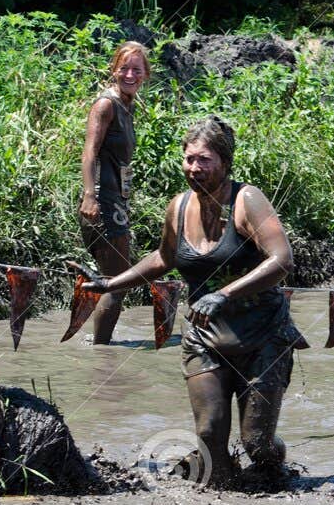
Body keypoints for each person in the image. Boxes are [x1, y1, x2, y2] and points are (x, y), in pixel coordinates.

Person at [77, 117, 302, 485]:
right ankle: (223, 503)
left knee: (257, 443)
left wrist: (224, 293)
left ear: (225, 162)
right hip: (204, 338)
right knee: (210, 433)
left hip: (263, 336)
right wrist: (110, 283)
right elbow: (163, 258)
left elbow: (282, 260)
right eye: (189, 159)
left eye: (204, 160)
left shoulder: (247, 201)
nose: (194, 168)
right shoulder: (178, 207)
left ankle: (276, 472)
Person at [78, 42, 149, 344]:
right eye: (124, 68)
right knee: (116, 283)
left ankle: (100, 345)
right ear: (114, 70)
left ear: (146, 74)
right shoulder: (106, 105)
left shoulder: (127, 106)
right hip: (101, 201)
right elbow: (89, 152)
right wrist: (89, 196)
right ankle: (102, 353)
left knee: (117, 280)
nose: (130, 75)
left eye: (137, 69)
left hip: (116, 201)